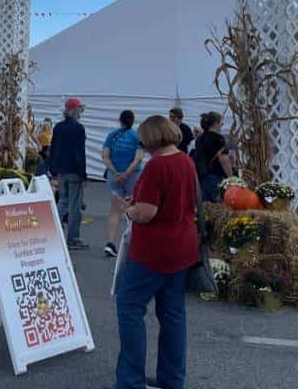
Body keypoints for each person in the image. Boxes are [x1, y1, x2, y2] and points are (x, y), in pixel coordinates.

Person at [115, 115, 198, 389]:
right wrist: (139, 202)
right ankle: (172, 379)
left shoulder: (156, 167)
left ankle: (130, 380)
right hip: (183, 247)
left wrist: (129, 209)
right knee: (173, 314)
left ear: (151, 139)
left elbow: (147, 213)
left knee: (129, 306)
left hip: (154, 251)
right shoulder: (185, 160)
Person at [102, 110, 145, 258]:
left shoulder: (112, 135)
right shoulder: (137, 137)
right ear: (133, 121)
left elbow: (105, 156)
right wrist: (127, 173)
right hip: (133, 176)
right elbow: (138, 158)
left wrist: (115, 172)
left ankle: (110, 242)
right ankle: (133, 243)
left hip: (114, 176)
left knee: (115, 210)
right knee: (133, 208)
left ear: (119, 120)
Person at [50, 97, 88, 250]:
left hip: (61, 170)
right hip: (74, 171)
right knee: (74, 206)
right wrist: (83, 174)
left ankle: (55, 234)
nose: (81, 112)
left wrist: (53, 170)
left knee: (62, 202)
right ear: (73, 110)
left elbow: (54, 148)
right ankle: (73, 238)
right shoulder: (79, 128)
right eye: (80, 109)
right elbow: (80, 152)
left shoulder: (58, 127)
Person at [192, 111, 231, 202]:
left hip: (202, 177)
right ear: (215, 123)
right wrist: (231, 177)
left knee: (206, 207)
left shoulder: (199, 139)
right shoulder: (218, 138)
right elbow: (224, 160)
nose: (222, 124)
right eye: (221, 122)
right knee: (217, 206)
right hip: (216, 177)